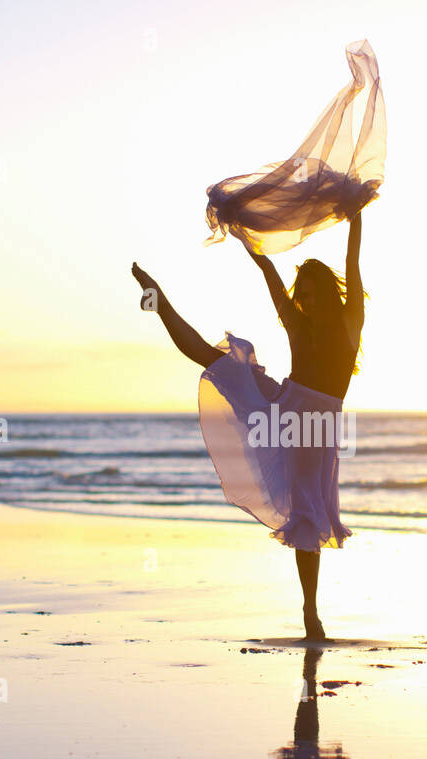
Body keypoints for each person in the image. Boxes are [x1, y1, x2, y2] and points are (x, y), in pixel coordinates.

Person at [131, 209, 366, 640]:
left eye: (315, 295)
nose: (307, 302)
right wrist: (243, 235)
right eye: (304, 295)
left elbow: (353, 267)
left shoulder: (350, 323)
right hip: (283, 408)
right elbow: (268, 272)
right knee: (213, 359)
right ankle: (160, 302)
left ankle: (310, 611)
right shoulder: (297, 324)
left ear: (331, 296)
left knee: (308, 520)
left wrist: (356, 222)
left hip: (317, 430)